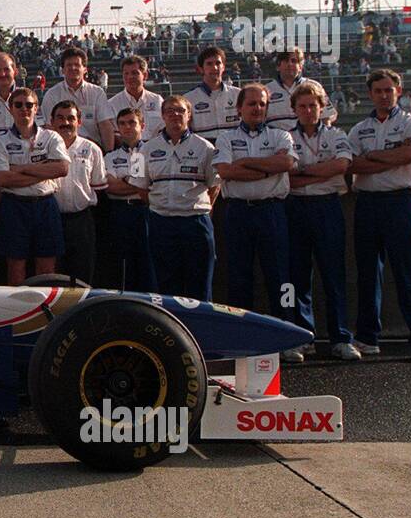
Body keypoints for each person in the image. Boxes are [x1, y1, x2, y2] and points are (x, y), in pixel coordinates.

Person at [347, 69, 411, 362]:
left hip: (402, 203)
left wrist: (373, 158)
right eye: (378, 91)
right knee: (368, 273)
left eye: (389, 90)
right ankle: (367, 337)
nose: (384, 95)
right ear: (370, 93)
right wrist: (390, 157)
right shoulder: (359, 129)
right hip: (368, 204)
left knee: (410, 272)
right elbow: (351, 166)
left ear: (398, 91)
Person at [214, 85, 297, 350]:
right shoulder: (226, 138)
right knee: (239, 276)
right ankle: (242, 339)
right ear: (239, 108)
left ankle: (286, 335)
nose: (257, 109)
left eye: (261, 104)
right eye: (251, 104)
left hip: (272, 211)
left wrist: (246, 163)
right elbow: (226, 171)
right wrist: (265, 167)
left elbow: (285, 164)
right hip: (238, 212)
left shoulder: (281, 135)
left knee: (281, 277)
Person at [286, 82, 356, 360]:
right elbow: (285, 175)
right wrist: (319, 172)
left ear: (321, 107)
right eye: (302, 106)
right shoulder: (285, 138)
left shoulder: (337, 135)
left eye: (312, 105)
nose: (307, 111)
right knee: (297, 276)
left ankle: (340, 337)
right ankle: (302, 337)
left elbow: (341, 165)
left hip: (327, 206)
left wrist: (305, 171)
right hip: (295, 207)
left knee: (333, 273)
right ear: (294, 110)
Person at [129, 95, 221, 300]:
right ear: (162, 116)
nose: (175, 114)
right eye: (169, 110)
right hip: (161, 223)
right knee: (166, 286)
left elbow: (214, 186)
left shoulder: (206, 147)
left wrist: (196, 209)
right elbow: (140, 188)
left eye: (180, 110)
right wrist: (162, 207)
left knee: (200, 286)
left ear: (189, 115)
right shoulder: (143, 149)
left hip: (196, 223)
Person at [0, 87, 71, 285]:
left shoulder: (51, 137)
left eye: (29, 105)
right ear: (10, 108)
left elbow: (61, 168)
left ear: (37, 108)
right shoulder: (0, 141)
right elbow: (2, 179)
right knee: (16, 265)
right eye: (18, 105)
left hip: (45, 204)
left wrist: (21, 169)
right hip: (14, 206)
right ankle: (19, 313)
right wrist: (42, 171)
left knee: (47, 265)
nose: (24, 108)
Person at [50, 100, 107, 285]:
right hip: (52, 219)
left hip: (82, 220)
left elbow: (99, 187)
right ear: (51, 121)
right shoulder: (42, 148)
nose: (65, 122)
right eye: (60, 118)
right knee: (54, 274)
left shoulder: (92, 149)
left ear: (79, 122)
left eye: (71, 118)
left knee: (83, 272)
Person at [104, 108, 155, 292]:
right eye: (122, 124)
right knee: (124, 264)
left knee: (149, 262)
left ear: (142, 125)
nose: (127, 127)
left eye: (132, 122)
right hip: (121, 213)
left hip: (146, 211)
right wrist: (137, 181)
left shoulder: (153, 151)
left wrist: (126, 179)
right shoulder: (110, 157)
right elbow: (111, 187)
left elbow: (145, 185)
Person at [40, 47, 113, 149]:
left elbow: (105, 125)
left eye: (77, 65)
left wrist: (109, 154)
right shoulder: (52, 95)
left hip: (93, 149)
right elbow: (50, 128)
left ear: (85, 69)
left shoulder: (97, 93)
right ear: (63, 70)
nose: (73, 68)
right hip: (62, 149)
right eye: (69, 65)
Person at [266, 48, 337, 130]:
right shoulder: (266, 91)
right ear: (278, 66)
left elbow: (326, 117)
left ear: (300, 67)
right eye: (285, 61)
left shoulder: (315, 87)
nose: (290, 64)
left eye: (294, 61)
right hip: (276, 141)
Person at [183, 46, 241, 143]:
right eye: (209, 64)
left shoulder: (238, 94)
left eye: (218, 63)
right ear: (201, 69)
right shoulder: (188, 99)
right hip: (204, 153)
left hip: (234, 151)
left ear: (223, 67)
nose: (214, 68)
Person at [103, 55, 164, 145]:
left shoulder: (157, 101)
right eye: (126, 73)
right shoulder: (112, 104)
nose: (130, 77)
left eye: (135, 73)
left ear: (145, 75)